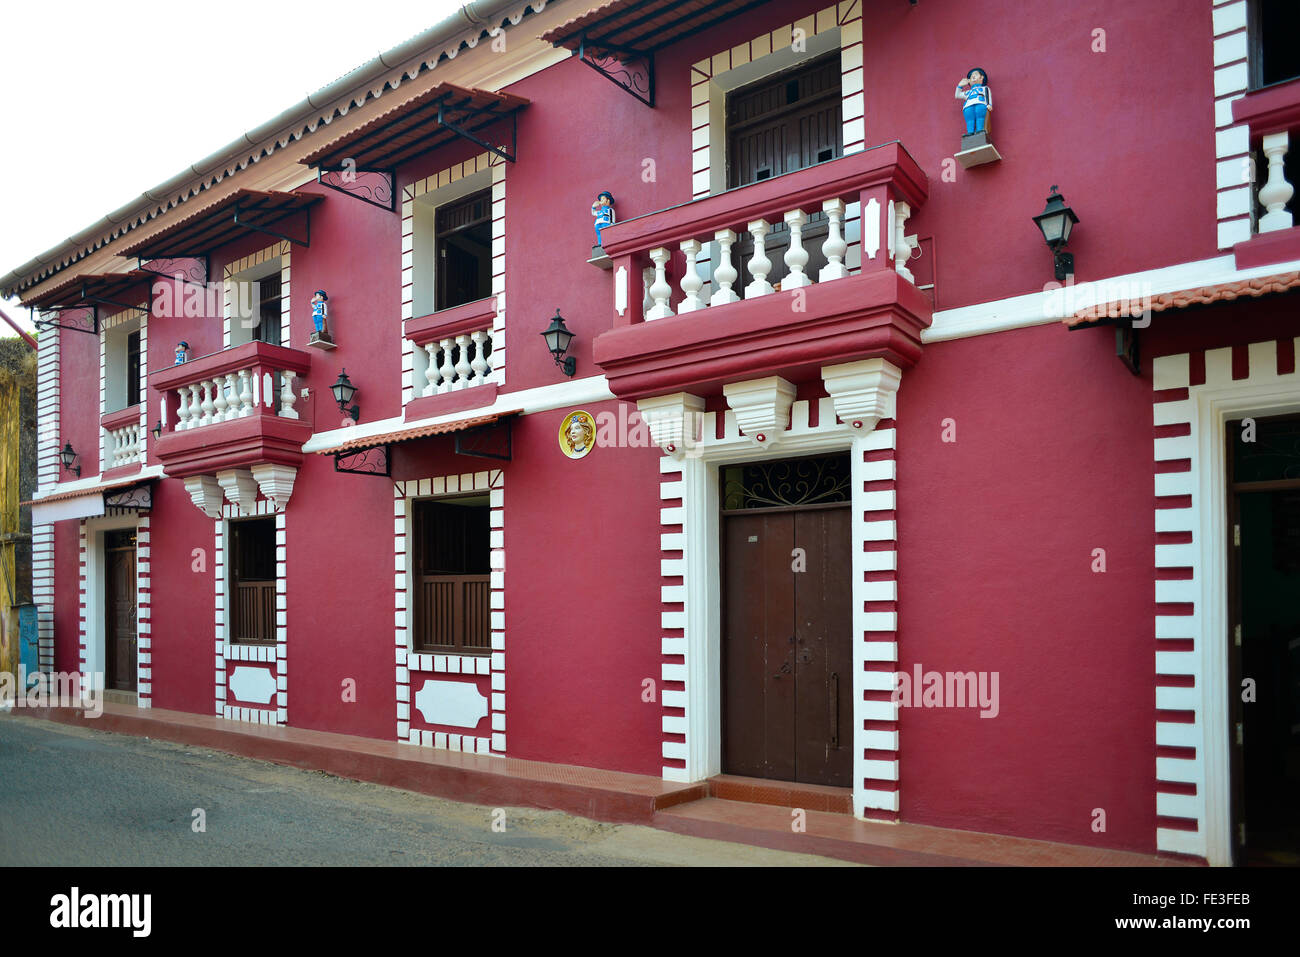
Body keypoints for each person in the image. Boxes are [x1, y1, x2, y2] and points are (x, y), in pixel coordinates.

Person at [955, 68, 992, 135]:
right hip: (968, 106)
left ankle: (980, 131)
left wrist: (989, 104)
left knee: (980, 117)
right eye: (971, 76)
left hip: (980, 103)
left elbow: (987, 96)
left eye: (975, 74)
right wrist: (959, 86)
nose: (973, 76)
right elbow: (957, 95)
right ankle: (970, 133)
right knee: (969, 120)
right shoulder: (968, 92)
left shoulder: (984, 88)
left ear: (981, 77)